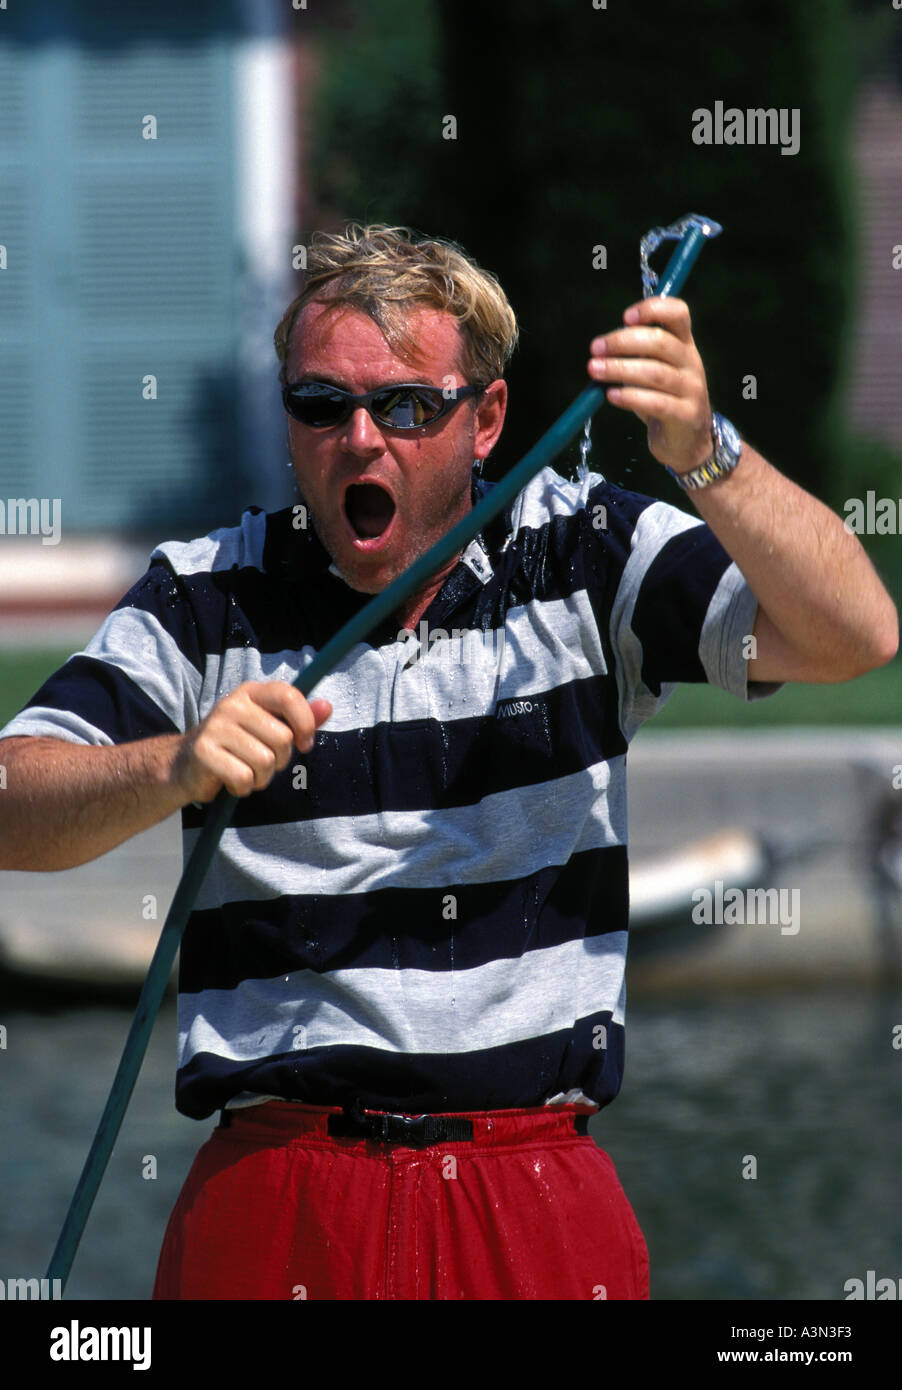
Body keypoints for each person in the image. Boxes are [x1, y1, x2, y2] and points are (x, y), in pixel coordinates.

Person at [0, 224, 896, 1301]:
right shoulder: (206, 598)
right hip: (279, 1194)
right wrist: (172, 766)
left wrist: (703, 450)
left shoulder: (586, 553)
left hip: (530, 1191)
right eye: (320, 405)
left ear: (488, 419)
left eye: (407, 405)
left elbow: (853, 634)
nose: (360, 439)